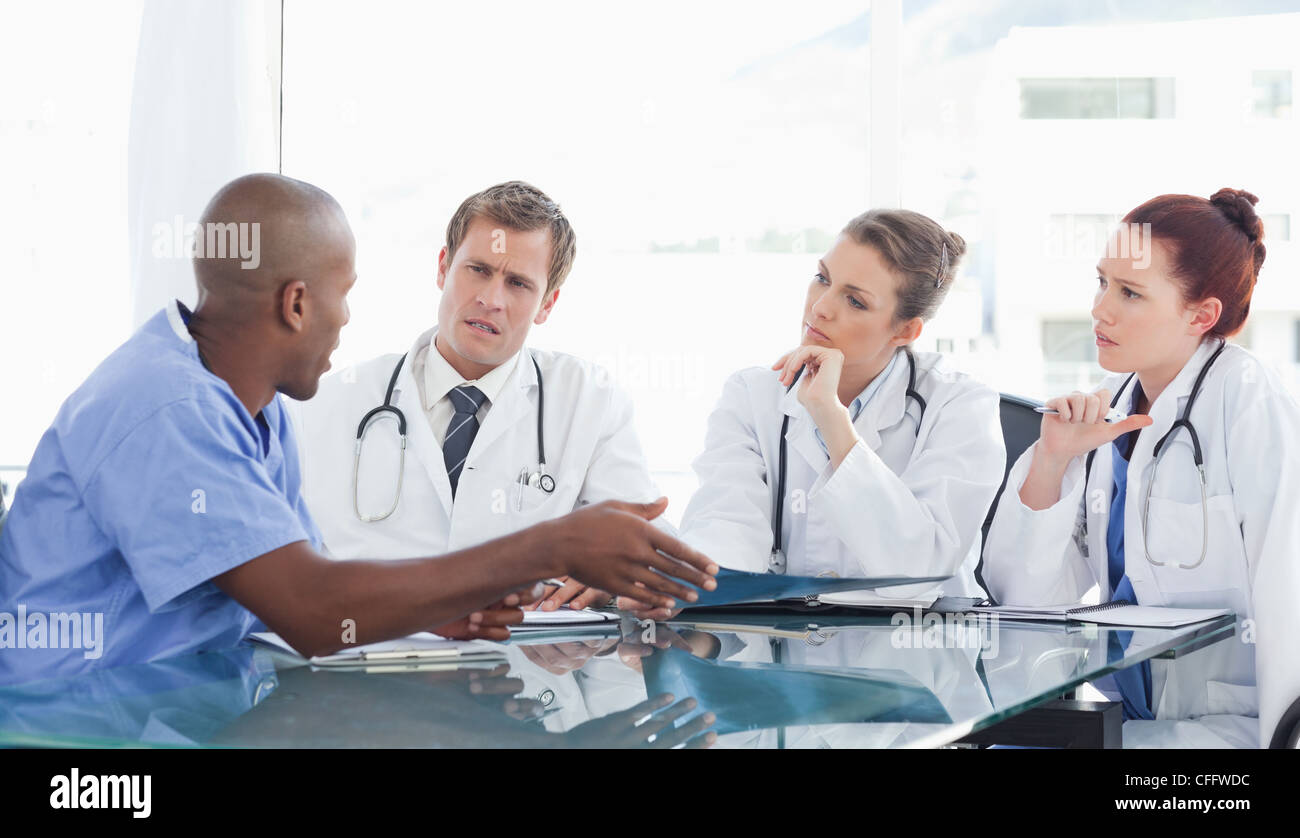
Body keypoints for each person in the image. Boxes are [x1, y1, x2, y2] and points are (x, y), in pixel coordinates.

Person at [0, 173, 716, 684]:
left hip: (180, 695)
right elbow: (311, 609)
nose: (349, 317)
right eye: (345, 294)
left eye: (518, 284)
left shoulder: (255, 410)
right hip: (73, 718)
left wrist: (445, 610)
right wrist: (552, 543)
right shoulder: (168, 412)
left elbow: (307, 585)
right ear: (298, 304)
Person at [982, 188, 1300, 749]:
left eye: (1130, 292)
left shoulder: (1247, 397)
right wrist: (1054, 459)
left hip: (1232, 732)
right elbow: (1026, 603)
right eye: (1102, 282)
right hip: (1120, 721)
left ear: (1202, 315)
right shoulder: (1108, 408)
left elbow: (1289, 587)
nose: (1100, 308)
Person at [294, 181, 667, 617]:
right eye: (478, 270)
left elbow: (644, 542)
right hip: (369, 667)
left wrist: (613, 572)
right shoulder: (328, 404)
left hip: (528, 671)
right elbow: (284, 570)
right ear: (442, 267)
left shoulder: (591, 402)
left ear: (547, 304)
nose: (491, 300)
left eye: (518, 284)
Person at [624, 208, 1005, 619]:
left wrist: (831, 417)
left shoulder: (961, 405)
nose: (820, 307)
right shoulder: (753, 394)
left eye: (855, 301)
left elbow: (919, 570)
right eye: (822, 278)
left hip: (919, 657)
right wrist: (679, 584)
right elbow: (727, 523)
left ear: (904, 331)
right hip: (785, 657)